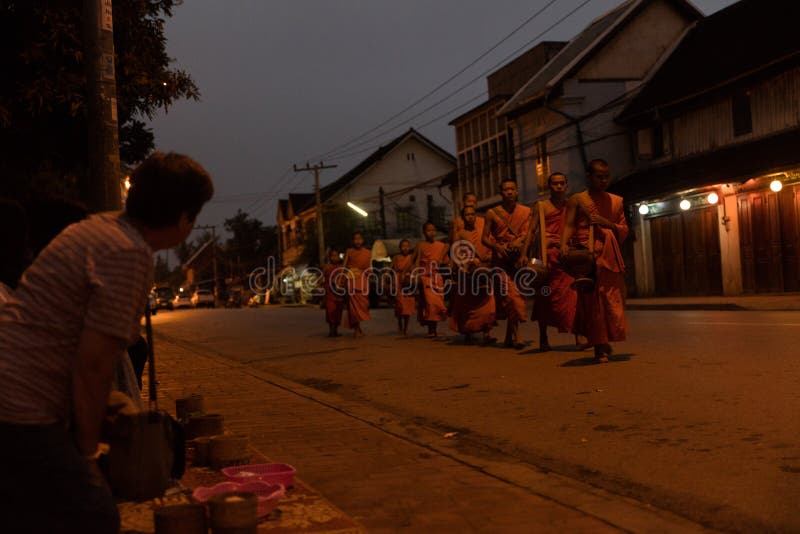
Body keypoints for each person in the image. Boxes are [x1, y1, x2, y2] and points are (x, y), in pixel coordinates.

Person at [0, 151, 213, 533]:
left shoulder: (100, 227)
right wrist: (86, 451)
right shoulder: (127, 252)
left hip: (18, 391)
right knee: (93, 512)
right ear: (183, 219)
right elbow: (93, 365)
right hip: (21, 405)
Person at [561, 159, 628, 363]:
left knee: (612, 301)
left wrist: (607, 223)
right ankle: (599, 348)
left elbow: (624, 229)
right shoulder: (577, 199)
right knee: (593, 303)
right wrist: (564, 244)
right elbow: (569, 224)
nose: (604, 180)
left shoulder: (616, 201)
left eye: (606, 176)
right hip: (586, 255)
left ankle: (603, 340)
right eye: (599, 176)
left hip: (609, 255)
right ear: (589, 177)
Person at [529, 172, 585, 352]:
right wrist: (525, 253)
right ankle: (543, 337)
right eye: (555, 184)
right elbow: (531, 231)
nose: (559, 186)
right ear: (549, 186)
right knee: (544, 298)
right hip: (546, 258)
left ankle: (578, 335)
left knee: (573, 296)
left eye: (562, 183)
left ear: (566, 186)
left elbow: (576, 229)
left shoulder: (572, 205)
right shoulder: (541, 206)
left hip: (565, 258)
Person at [482, 178, 531, 349]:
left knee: (517, 295)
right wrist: (497, 247)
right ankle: (517, 336)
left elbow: (529, 233)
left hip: (518, 259)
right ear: (500, 193)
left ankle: (508, 336)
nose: (509, 192)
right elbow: (484, 238)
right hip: (500, 260)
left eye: (512, 189)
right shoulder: (491, 213)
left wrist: (520, 243)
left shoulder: (526, 212)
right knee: (511, 296)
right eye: (506, 189)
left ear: (517, 191)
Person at [449, 205, 496, 345]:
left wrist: (487, 258)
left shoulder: (483, 231)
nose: (470, 217)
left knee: (488, 304)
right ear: (463, 218)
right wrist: (465, 263)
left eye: (472, 214)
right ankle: (468, 333)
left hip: (483, 271)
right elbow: (455, 253)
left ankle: (487, 333)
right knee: (466, 306)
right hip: (467, 274)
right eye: (467, 215)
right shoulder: (460, 234)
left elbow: (490, 247)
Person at [414, 221, 449, 338]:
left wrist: (443, 263)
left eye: (433, 230)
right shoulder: (420, 245)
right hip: (425, 277)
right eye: (429, 230)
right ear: (424, 232)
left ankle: (433, 328)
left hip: (437, 278)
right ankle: (432, 330)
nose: (431, 232)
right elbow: (417, 261)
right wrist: (415, 276)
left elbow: (446, 261)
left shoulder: (441, 246)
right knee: (431, 303)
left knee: (436, 304)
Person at [343, 231, 371, 337]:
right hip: (351, 280)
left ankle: (358, 328)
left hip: (363, 280)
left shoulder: (368, 253)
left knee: (363, 305)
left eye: (359, 238)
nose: (357, 241)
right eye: (355, 239)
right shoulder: (349, 251)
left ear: (363, 240)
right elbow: (344, 266)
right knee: (353, 307)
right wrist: (341, 279)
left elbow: (369, 269)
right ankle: (357, 329)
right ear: (352, 241)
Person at [390, 239, 415, 335]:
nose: (405, 248)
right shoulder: (396, 257)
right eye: (403, 246)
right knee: (399, 304)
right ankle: (400, 322)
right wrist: (387, 277)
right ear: (400, 248)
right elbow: (390, 268)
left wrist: (413, 279)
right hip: (398, 282)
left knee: (408, 305)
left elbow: (415, 269)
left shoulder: (411, 257)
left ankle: (405, 327)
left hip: (408, 283)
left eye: (407, 246)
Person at [321, 248, 345, 337]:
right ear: (330, 257)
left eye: (336, 255)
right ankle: (331, 330)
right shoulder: (327, 267)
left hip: (339, 293)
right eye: (333, 256)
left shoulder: (342, 267)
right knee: (330, 311)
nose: (335, 257)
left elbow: (344, 279)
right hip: (330, 293)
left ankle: (335, 330)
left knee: (338, 312)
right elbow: (321, 279)